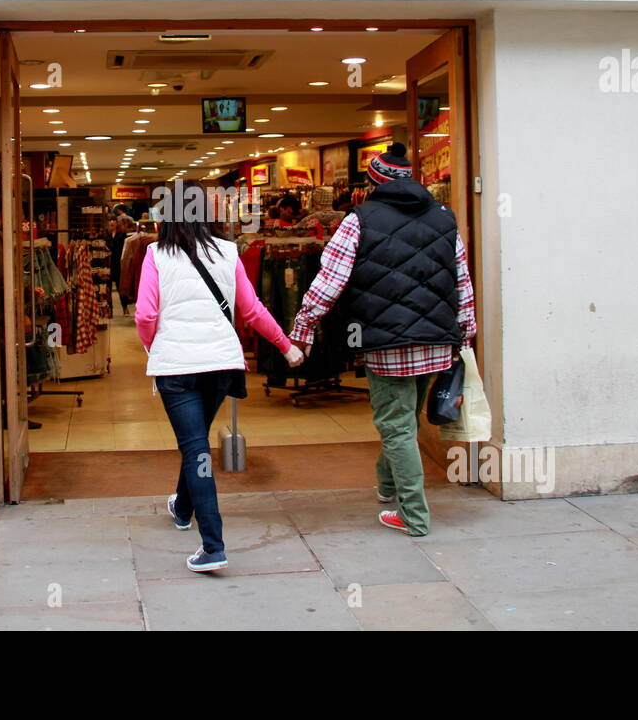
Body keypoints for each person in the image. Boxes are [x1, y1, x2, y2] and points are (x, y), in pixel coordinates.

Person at [291, 143, 476, 537]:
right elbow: (461, 277)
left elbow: (330, 281)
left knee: (396, 425)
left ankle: (413, 516)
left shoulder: (360, 219)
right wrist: (466, 329)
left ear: (373, 182)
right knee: (405, 419)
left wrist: (303, 327)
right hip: (438, 339)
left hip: (386, 341)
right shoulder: (445, 217)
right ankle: (388, 486)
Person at [136, 181, 304, 572]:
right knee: (195, 443)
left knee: (195, 448)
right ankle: (182, 507)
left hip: (177, 367)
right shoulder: (229, 252)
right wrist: (286, 345)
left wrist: (151, 346)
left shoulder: (156, 254)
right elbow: (253, 310)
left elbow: (145, 315)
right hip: (221, 364)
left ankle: (213, 545)